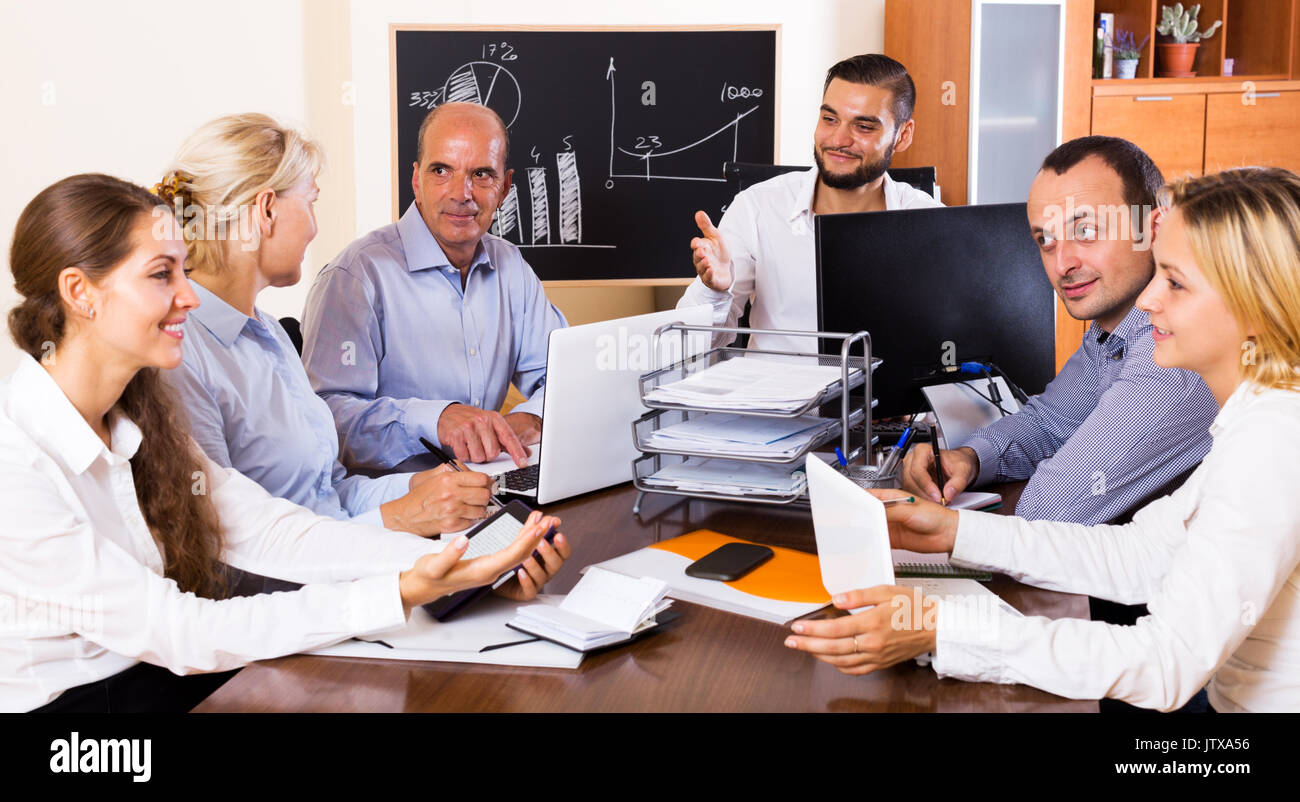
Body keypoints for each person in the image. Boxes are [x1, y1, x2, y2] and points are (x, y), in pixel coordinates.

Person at [0, 173, 568, 712]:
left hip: (155, 680)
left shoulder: (138, 417)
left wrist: (462, 566)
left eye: (182, 270)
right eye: (161, 275)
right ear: (80, 292)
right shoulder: (17, 458)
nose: (189, 296)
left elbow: (270, 530)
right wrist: (399, 589)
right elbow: (178, 629)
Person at [787, 167, 1300, 712]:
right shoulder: (1261, 420)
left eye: (1174, 281)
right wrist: (953, 530)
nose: (1149, 300)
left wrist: (941, 627)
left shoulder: (1273, 440)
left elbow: (1165, 662)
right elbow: (1144, 554)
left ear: (1256, 303)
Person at [159, 113, 492, 536]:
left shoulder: (272, 334)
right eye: (310, 201)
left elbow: (329, 494)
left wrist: (421, 487)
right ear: (266, 211)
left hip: (345, 567)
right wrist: (402, 516)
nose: (315, 228)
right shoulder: (182, 355)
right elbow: (224, 551)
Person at [901, 136, 1219, 526]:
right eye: (1045, 240)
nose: (1062, 263)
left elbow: (1050, 510)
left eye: (1085, 231)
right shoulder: (1113, 329)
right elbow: (1049, 423)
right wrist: (968, 459)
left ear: (1150, 226)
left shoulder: (1174, 348)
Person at [301, 102, 566, 473]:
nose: (462, 193)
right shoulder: (356, 277)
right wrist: (434, 421)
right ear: (416, 180)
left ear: (505, 188)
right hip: (392, 508)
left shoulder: (511, 268)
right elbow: (324, 418)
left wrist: (531, 419)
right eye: (442, 170)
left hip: (486, 487)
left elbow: (563, 377)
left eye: (482, 174)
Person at [679, 53, 942, 353]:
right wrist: (716, 290)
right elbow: (688, 352)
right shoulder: (757, 208)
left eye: (864, 127)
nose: (839, 139)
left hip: (887, 398)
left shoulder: (931, 223)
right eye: (829, 119)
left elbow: (954, 345)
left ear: (903, 135)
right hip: (776, 396)